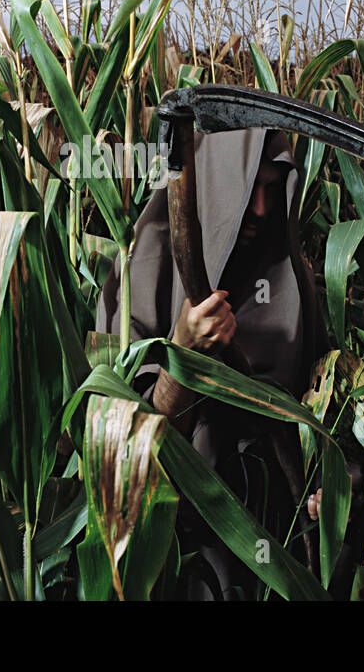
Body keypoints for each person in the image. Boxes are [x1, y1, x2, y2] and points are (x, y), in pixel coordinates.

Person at [95, 126, 328, 599]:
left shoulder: (292, 279)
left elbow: (318, 405)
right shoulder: (146, 267)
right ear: (211, 181)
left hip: (272, 554)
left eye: (272, 189)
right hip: (177, 555)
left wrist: (325, 489)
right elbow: (126, 454)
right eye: (248, 189)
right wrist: (182, 357)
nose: (260, 209)